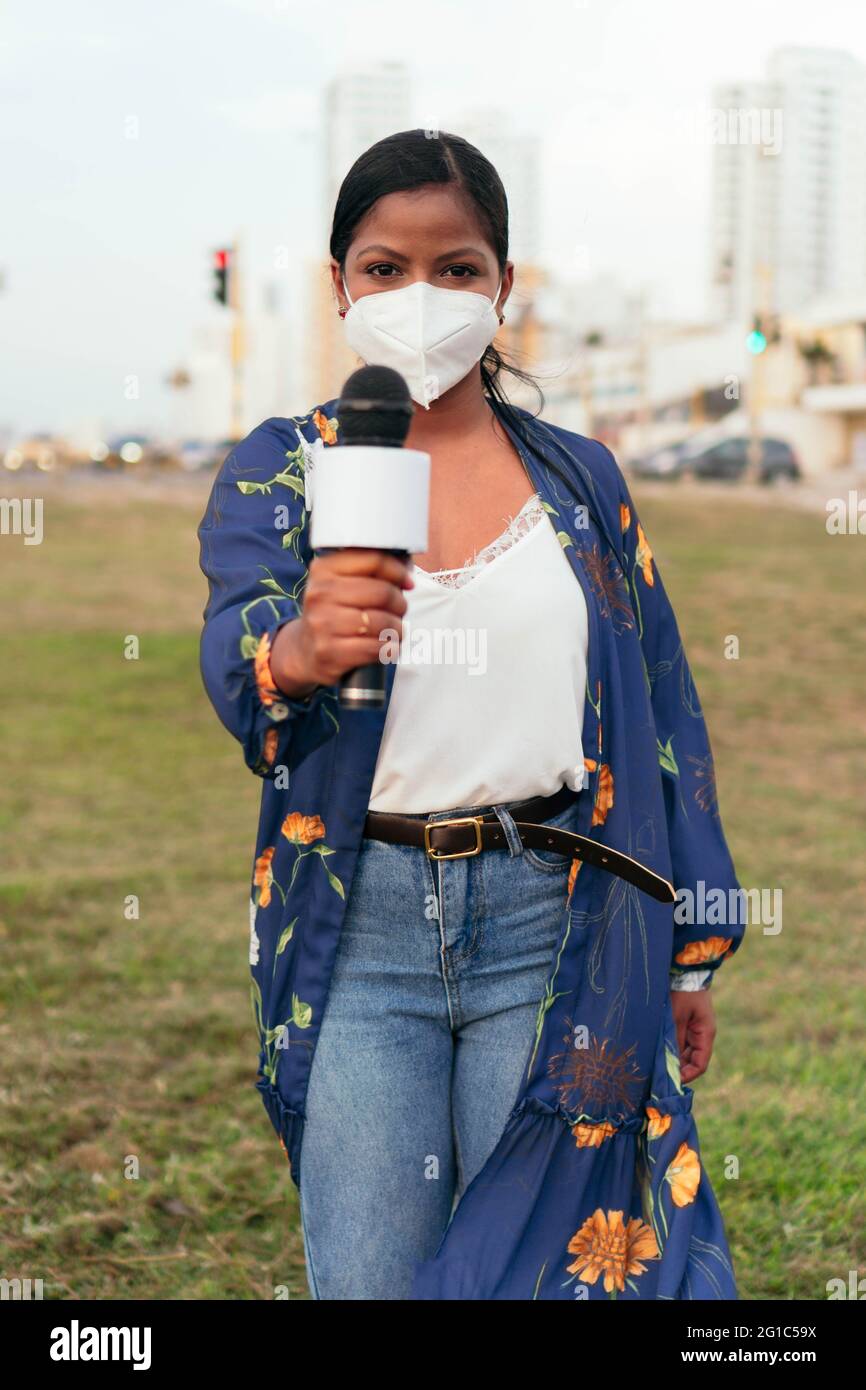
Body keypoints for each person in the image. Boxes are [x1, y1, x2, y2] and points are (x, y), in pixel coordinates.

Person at [197, 129, 745, 1301]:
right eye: (384, 267)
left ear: (503, 286)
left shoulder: (583, 480)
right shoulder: (286, 468)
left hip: (554, 928)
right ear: (339, 285)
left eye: (456, 268)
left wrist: (689, 954)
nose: (419, 296)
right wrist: (295, 648)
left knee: (550, 1275)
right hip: (362, 937)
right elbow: (238, 643)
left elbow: (662, 713)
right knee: (371, 1279)